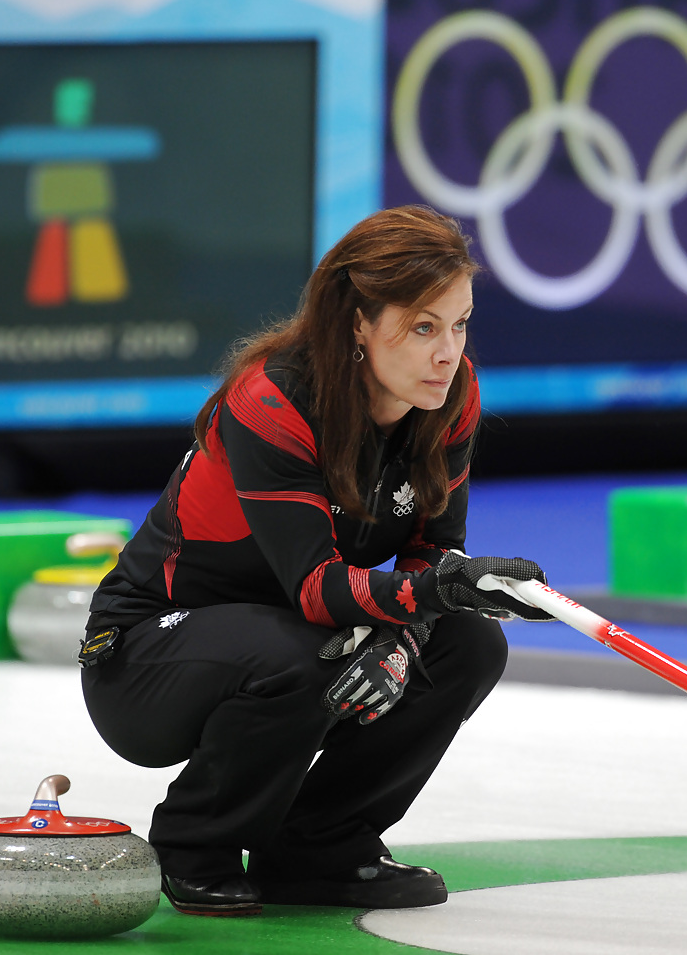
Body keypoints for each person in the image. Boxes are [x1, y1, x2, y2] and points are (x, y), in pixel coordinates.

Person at [79, 204, 552, 917]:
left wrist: (424, 616)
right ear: (357, 322)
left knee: (470, 642)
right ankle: (192, 842)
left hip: (294, 630)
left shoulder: (450, 398)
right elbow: (316, 588)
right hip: (145, 656)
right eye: (423, 326)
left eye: (459, 324)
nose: (447, 353)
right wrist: (433, 595)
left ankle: (320, 845)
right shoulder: (273, 400)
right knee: (316, 647)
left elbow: (431, 552)